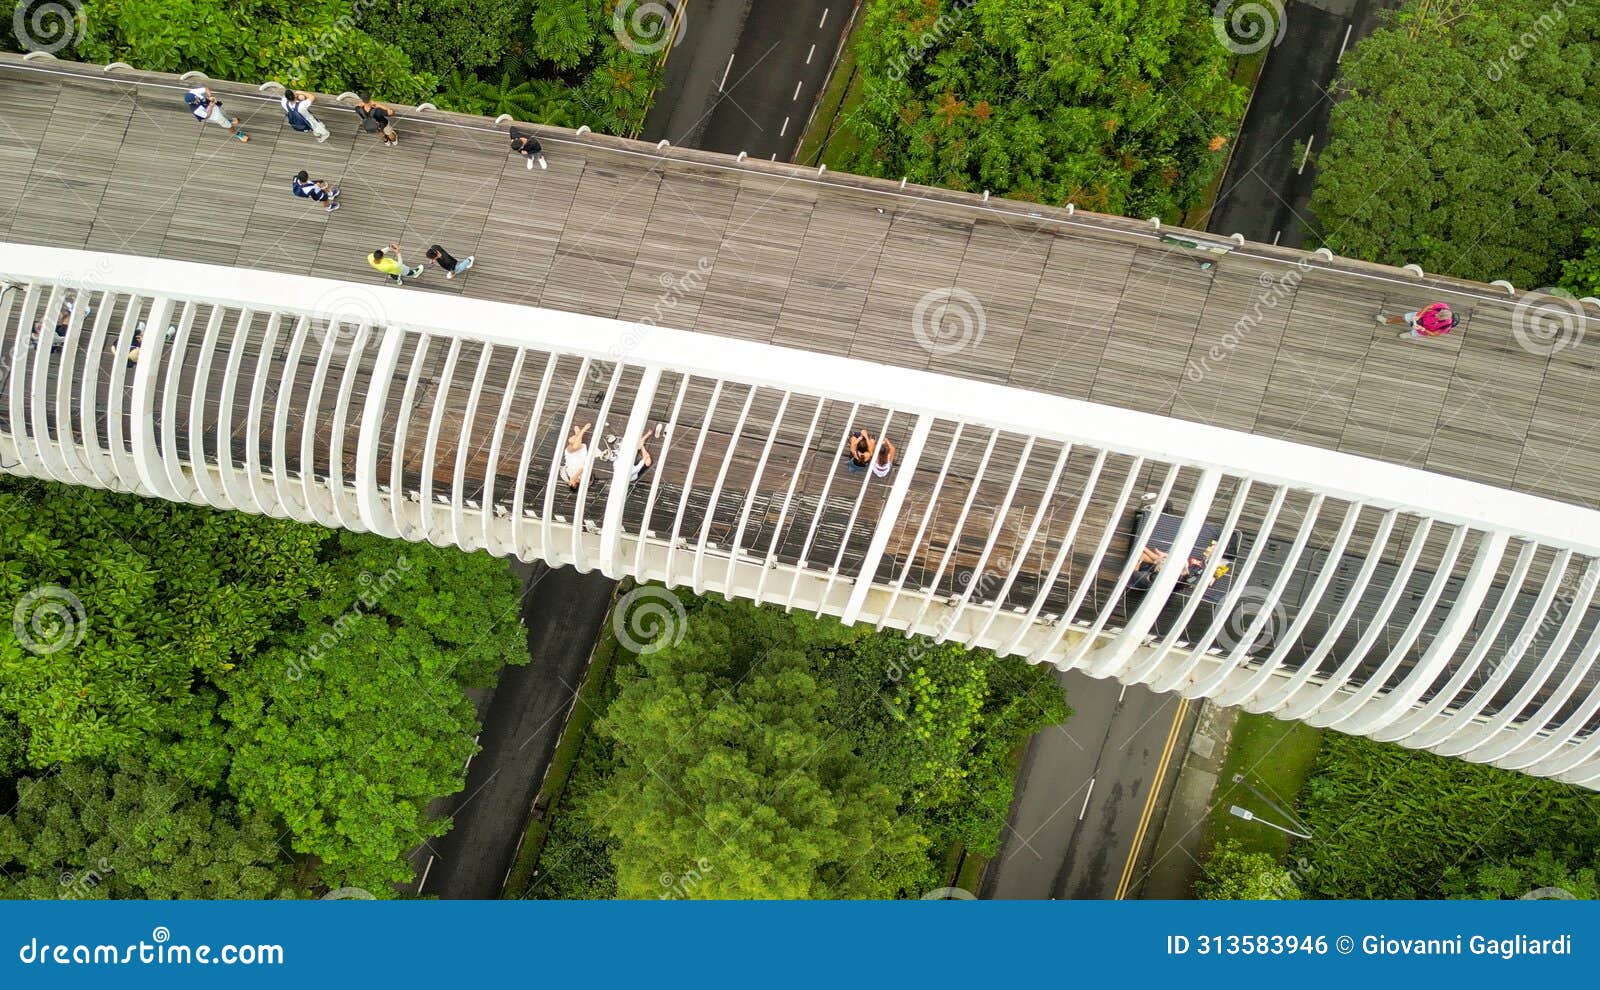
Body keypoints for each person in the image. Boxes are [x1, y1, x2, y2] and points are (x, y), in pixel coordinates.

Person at [1377, 302, 1457, 340]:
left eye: (1439, 318)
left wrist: (1423, 329)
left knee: (1415, 333)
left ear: (1445, 319)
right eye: (1437, 314)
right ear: (1442, 310)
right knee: (1404, 318)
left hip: (1425, 329)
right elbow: (1428, 307)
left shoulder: (1446, 326)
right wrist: (1419, 315)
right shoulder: (1442, 306)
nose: (1436, 316)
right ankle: (1387, 321)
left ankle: (1409, 334)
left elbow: (1434, 334)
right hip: (1421, 316)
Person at [562, 422, 594, 489]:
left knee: (572, 444)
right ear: (576, 484)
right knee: (574, 445)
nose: (570, 481)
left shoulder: (569, 475)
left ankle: (579, 434)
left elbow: (567, 464)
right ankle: (581, 432)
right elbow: (583, 468)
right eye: (572, 483)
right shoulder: (583, 477)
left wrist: (572, 477)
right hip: (580, 455)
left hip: (570, 454)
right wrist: (576, 476)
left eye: (569, 483)